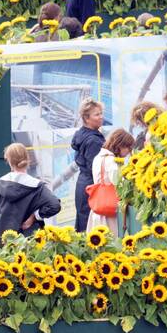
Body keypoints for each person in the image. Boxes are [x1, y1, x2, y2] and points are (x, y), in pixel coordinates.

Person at [0, 142, 61, 243]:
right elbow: (55, 205)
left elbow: (1, 213)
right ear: (27, 158)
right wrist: (34, 216)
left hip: (5, 241)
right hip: (30, 242)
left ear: (9, 161)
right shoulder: (37, 186)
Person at [91, 128, 135, 242]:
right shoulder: (111, 161)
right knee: (112, 243)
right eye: (128, 147)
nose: (128, 152)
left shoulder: (98, 158)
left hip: (98, 208)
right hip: (110, 210)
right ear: (119, 145)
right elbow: (119, 184)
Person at [72, 99, 105, 233]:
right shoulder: (93, 141)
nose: (101, 117)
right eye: (97, 114)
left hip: (82, 184)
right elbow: (95, 169)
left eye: (101, 113)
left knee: (83, 223)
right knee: (90, 228)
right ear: (86, 118)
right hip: (91, 187)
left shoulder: (82, 133)